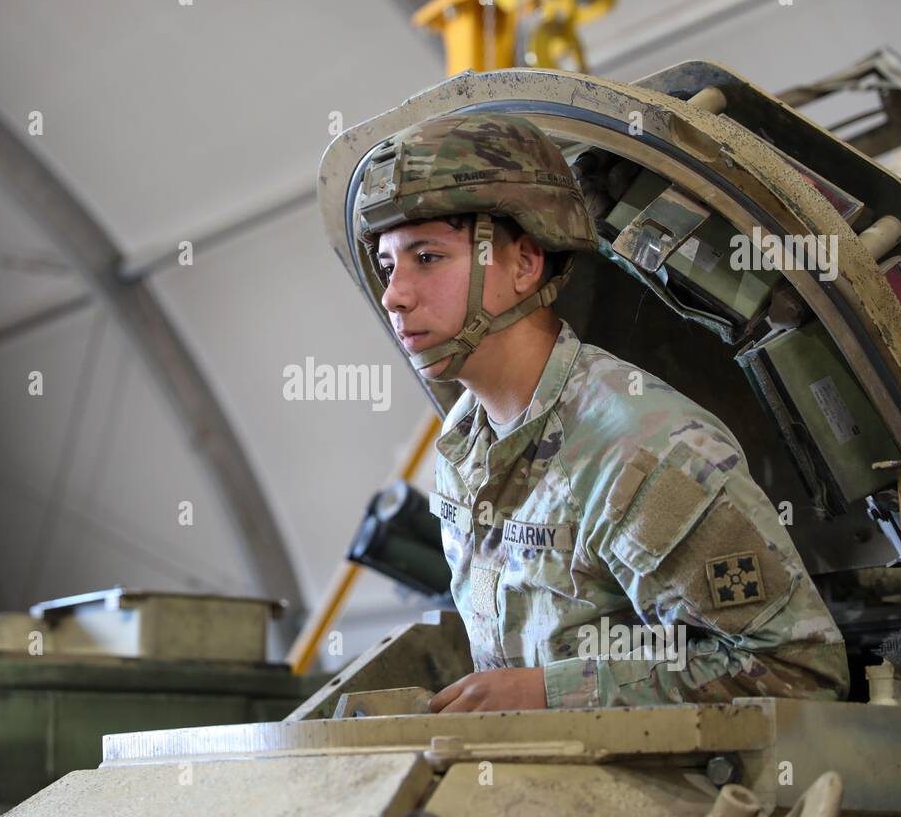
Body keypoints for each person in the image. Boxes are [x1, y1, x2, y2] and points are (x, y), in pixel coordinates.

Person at [352, 112, 850, 712]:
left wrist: (551, 695)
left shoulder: (644, 448)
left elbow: (798, 670)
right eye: (387, 266)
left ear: (523, 265)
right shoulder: (465, 444)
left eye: (426, 258)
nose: (393, 294)